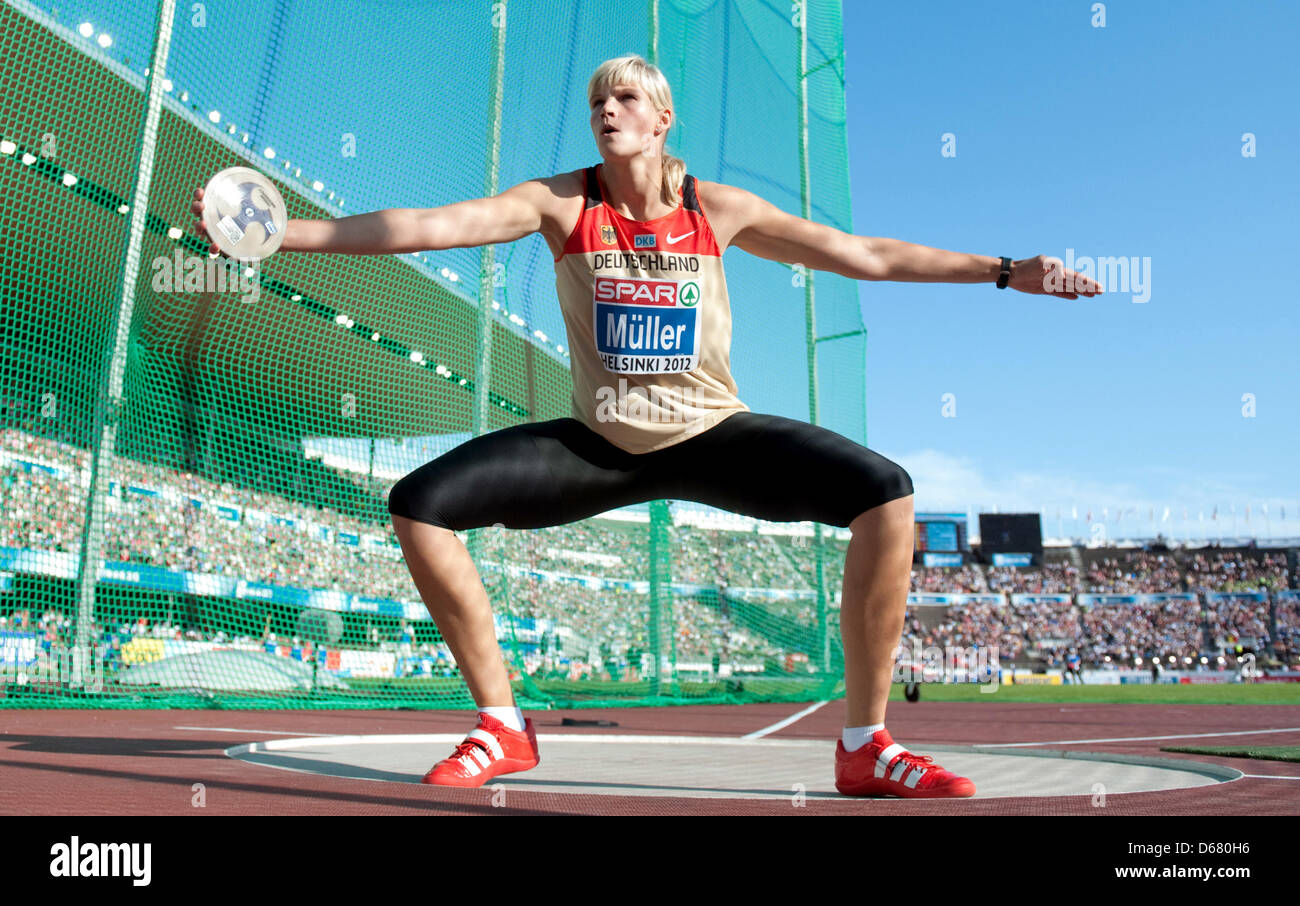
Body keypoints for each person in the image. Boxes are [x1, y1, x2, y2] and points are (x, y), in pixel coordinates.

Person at [193, 55, 1101, 798]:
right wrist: (285, 234)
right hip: (599, 447)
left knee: (886, 493)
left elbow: (862, 256)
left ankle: (864, 744)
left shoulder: (721, 210)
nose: (606, 110)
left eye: (624, 98)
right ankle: (503, 728)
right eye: (597, 100)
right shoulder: (559, 203)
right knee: (421, 504)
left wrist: (1006, 268)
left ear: (662, 118)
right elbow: (428, 226)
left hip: (714, 436)